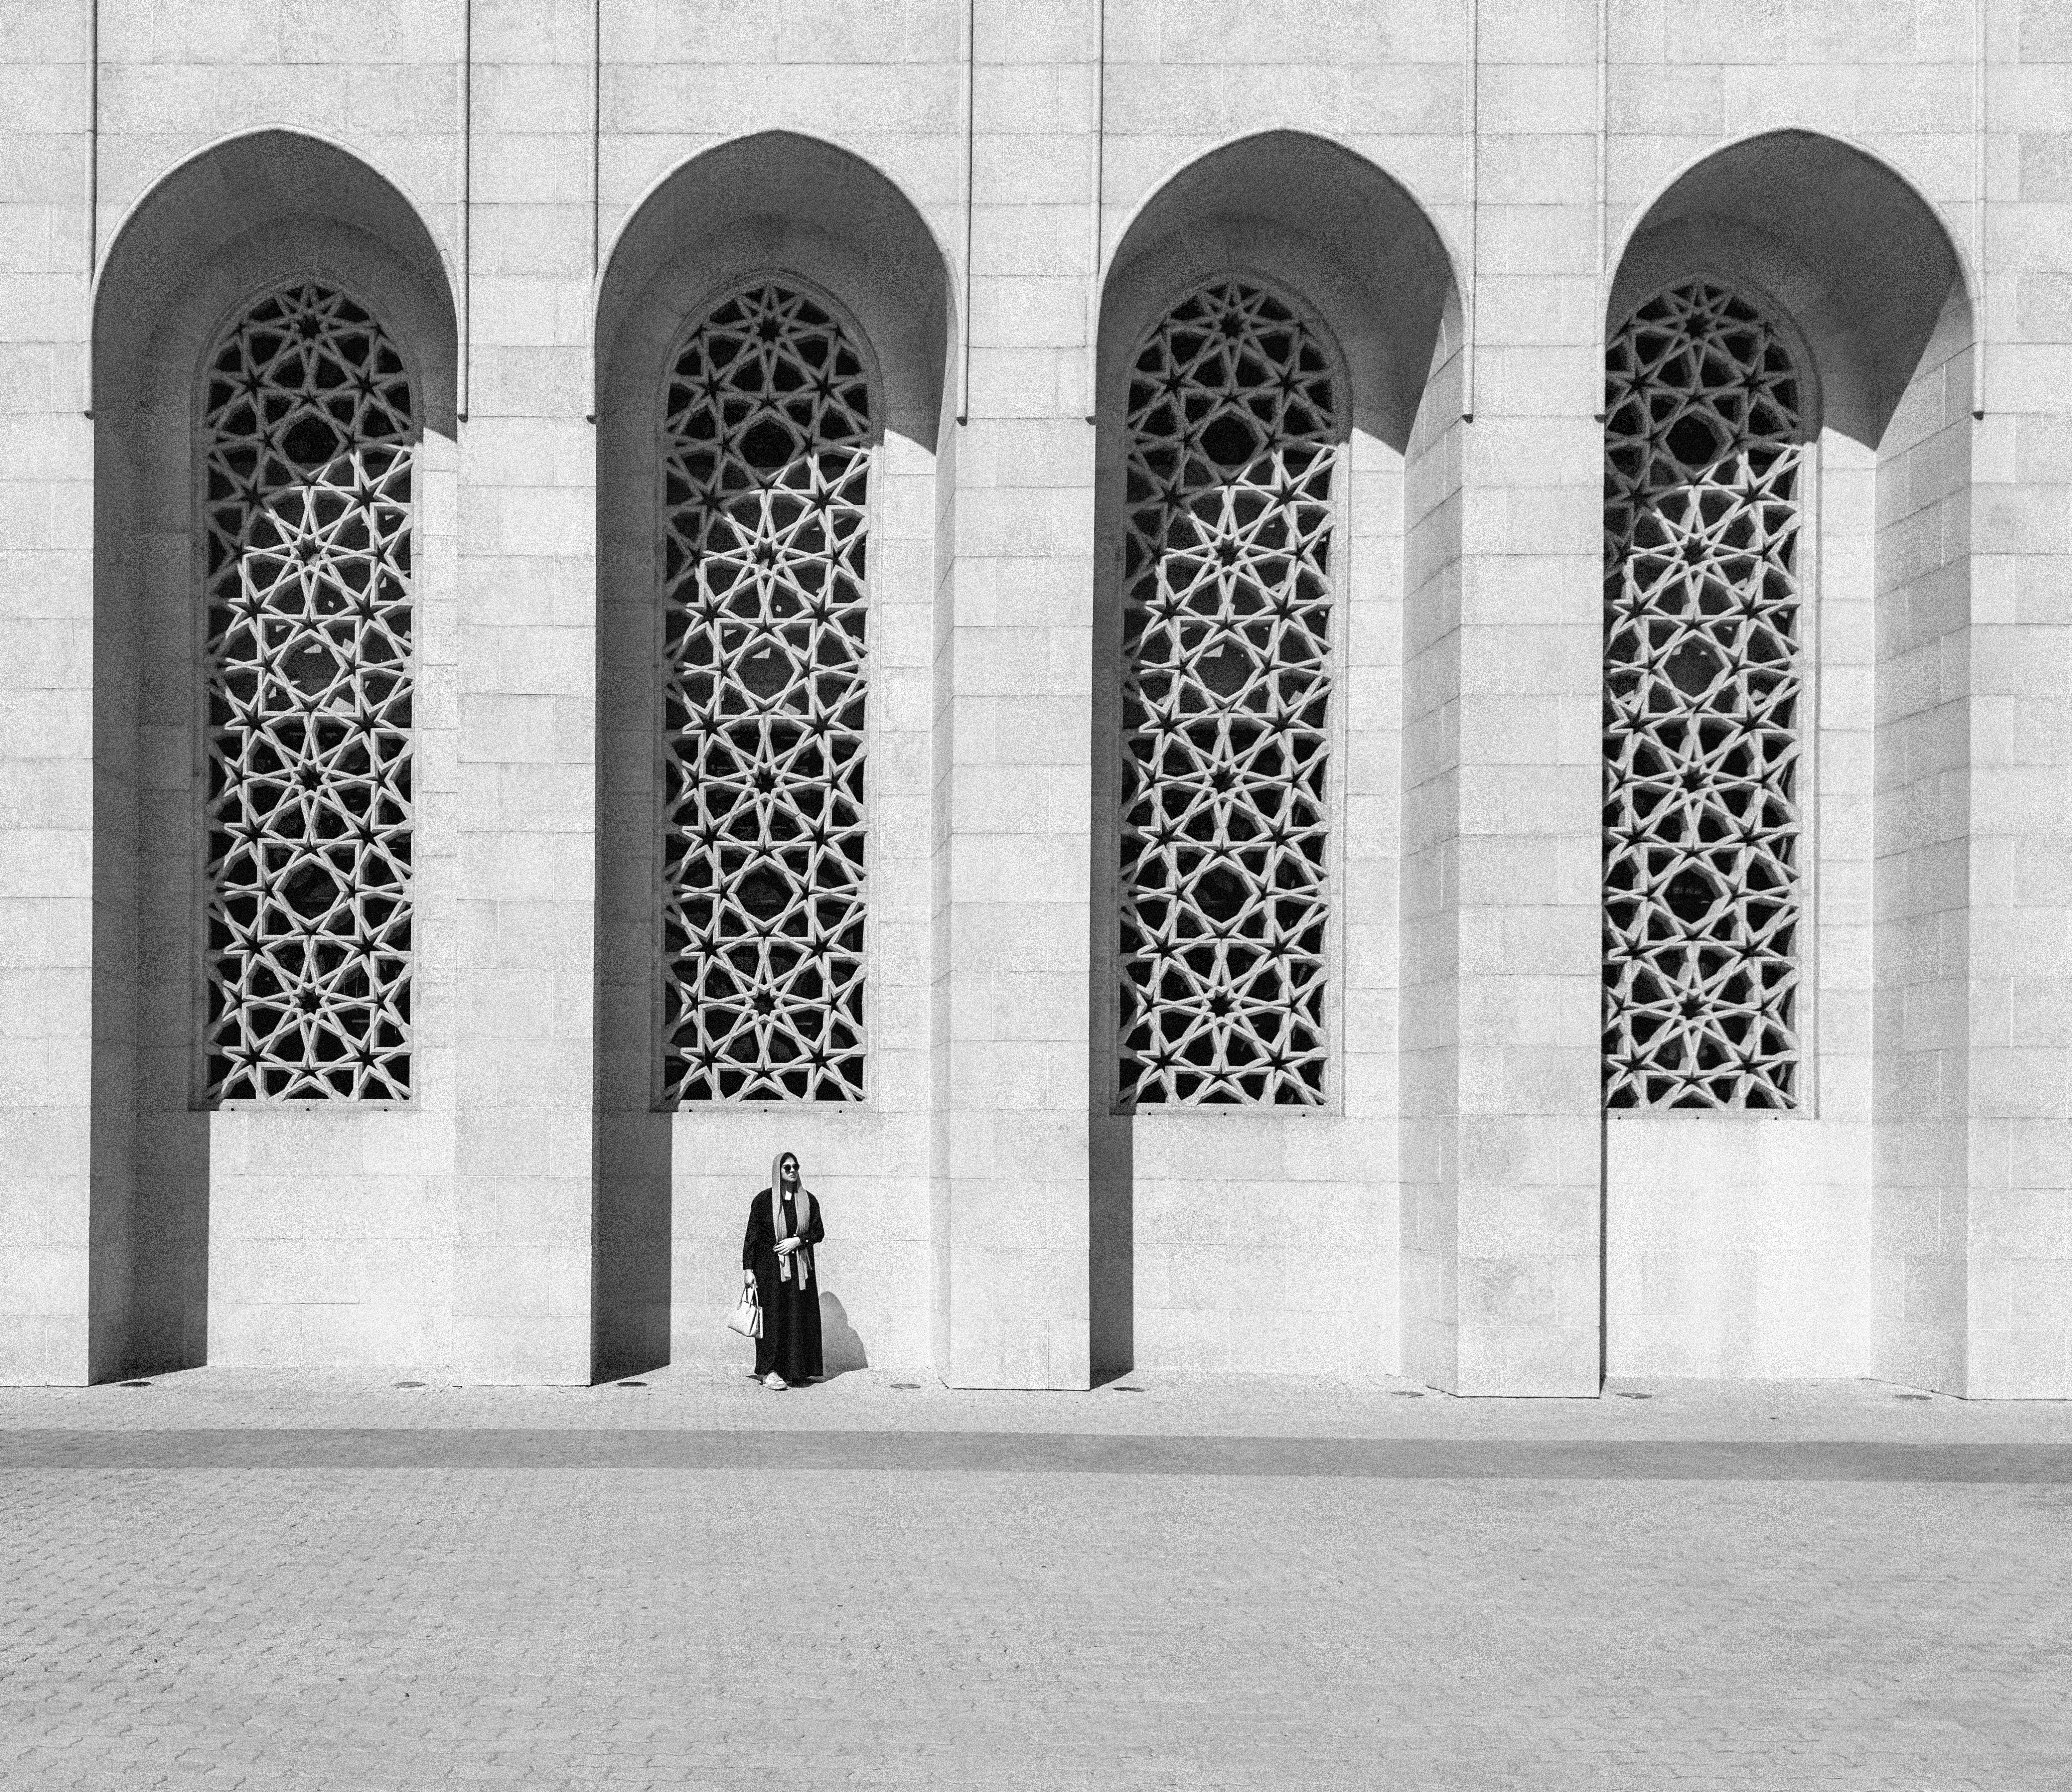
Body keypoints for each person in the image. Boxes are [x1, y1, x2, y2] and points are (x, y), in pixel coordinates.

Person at [741, 1151, 824, 1388]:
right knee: (773, 1318)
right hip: (769, 1270)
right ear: (778, 1171)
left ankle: (796, 1370)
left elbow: (818, 1232)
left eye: (795, 1166)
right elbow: (752, 1237)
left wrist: (798, 1241)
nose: (792, 1171)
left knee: (798, 1317)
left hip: (800, 1271)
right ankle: (768, 1371)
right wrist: (748, 1269)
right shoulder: (763, 1201)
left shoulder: (809, 1200)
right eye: (786, 1167)